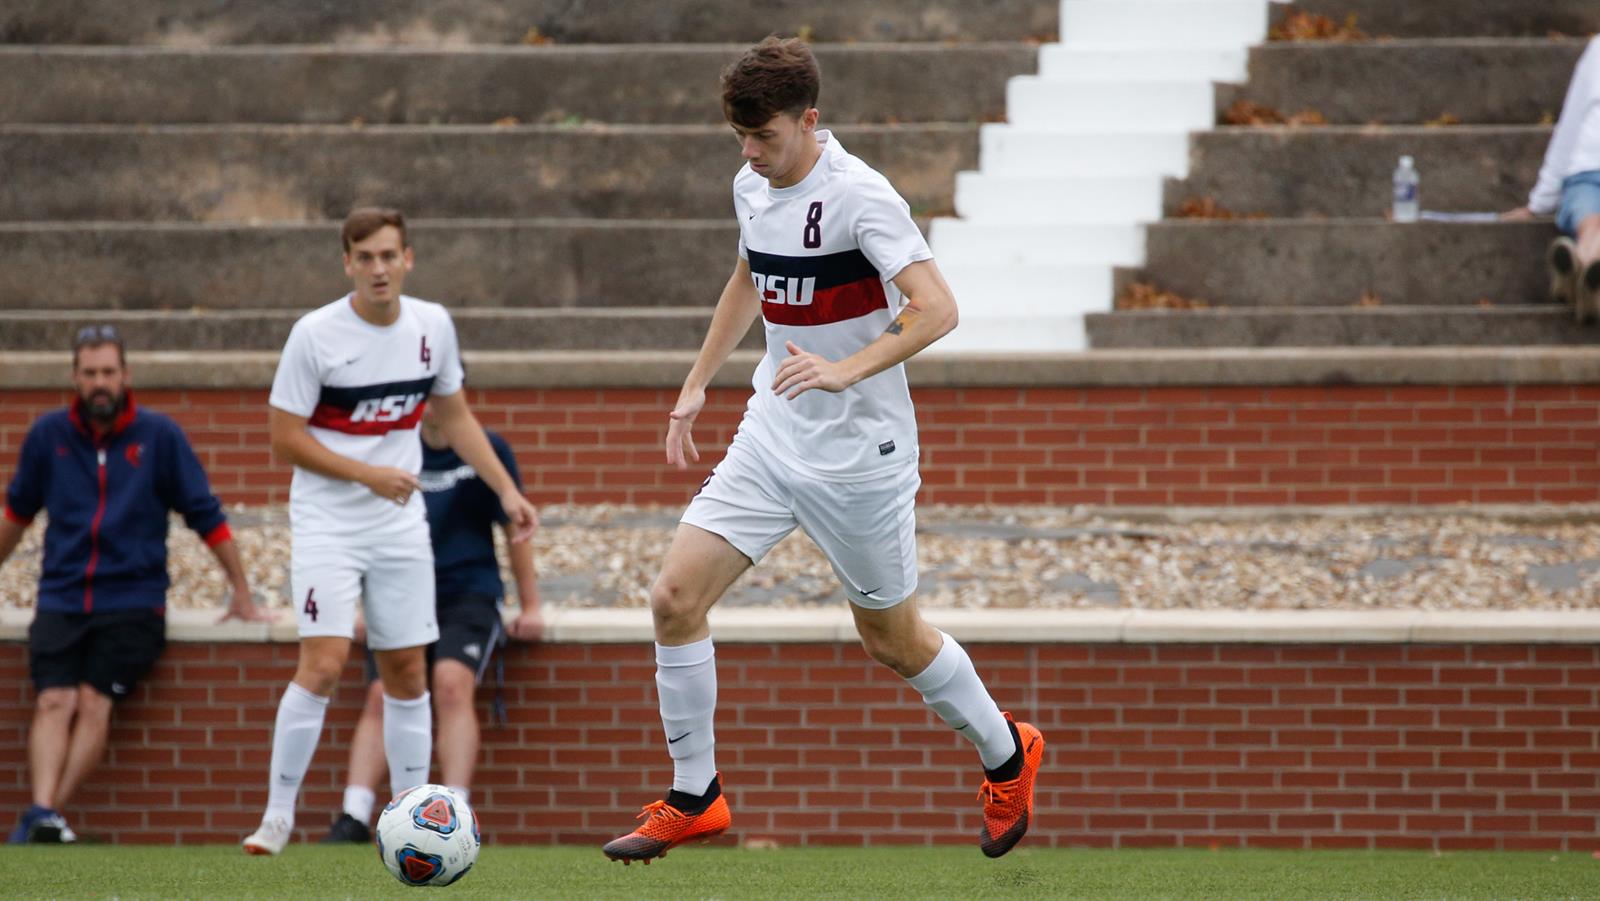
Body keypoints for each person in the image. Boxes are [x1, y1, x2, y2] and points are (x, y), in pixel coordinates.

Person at [601, 37, 1044, 865]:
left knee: (892, 639)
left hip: (859, 457)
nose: (749, 152)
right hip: (771, 433)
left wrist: (847, 368)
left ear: (809, 121)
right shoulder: (752, 183)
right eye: (741, 136)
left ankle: (1007, 752)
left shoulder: (861, 197)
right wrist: (699, 381)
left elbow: (938, 308)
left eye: (764, 135)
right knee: (672, 597)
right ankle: (696, 794)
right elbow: (749, 275)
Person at [242, 207, 537, 856]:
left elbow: (456, 418)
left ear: (408, 259)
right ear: (347, 263)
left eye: (389, 255)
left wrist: (508, 491)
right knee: (322, 662)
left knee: (407, 672)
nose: (378, 268)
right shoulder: (314, 335)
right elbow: (283, 437)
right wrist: (366, 473)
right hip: (327, 522)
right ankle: (276, 817)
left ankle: (412, 822)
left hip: (398, 527)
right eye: (365, 257)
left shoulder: (432, 326)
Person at [1, 325, 267, 844]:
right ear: (75, 378)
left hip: (133, 602)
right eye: (89, 373)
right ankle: (44, 815)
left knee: (93, 700)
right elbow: (16, 514)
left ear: (126, 375)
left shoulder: (159, 436)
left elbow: (204, 515)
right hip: (61, 596)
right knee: (54, 700)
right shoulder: (48, 437)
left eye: (108, 372)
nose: (100, 383)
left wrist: (241, 588)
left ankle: (43, 813)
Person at [321, 405, 543, 843]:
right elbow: (369, 528)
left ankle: (454, 812)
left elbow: (514, 526)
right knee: (382, 694)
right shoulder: (394, 450)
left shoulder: (488, 449)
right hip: (399, 591)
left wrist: (531, 605)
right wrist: (363, 604)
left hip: (467, 593)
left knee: (450, 683)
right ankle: (353, 815)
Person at [1505, 36, 1600, 322]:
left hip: (1584, 175)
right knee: (1590, 219)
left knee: (1590, 222)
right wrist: (1538, 203)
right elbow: (1571, 125)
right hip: (1587, 170)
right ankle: (1589, 275)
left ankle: (1579, 267)